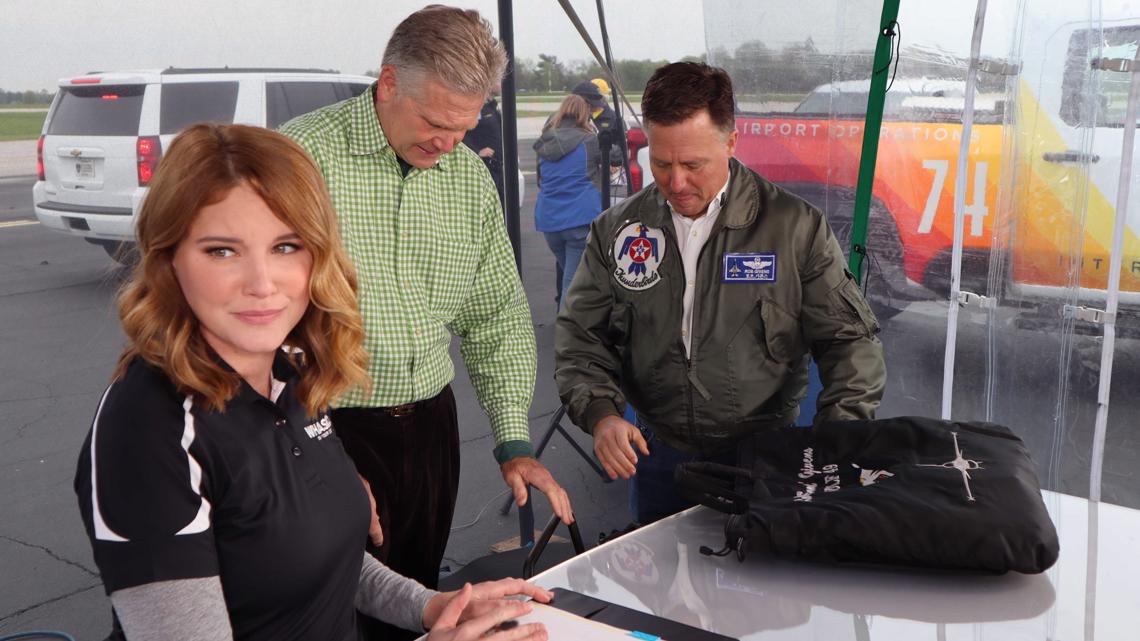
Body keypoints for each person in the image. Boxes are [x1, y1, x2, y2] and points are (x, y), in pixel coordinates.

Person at [74, 123, 551, 641]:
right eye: (221, 251)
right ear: (168, 260)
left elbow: (326, 561)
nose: (262, 284)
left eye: (286, 246)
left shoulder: (290, 372)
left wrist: (431, 606)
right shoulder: (150, 429)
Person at [280, 6, 573, 637]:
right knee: (324, 609)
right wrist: (308, 446)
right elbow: (257, 328)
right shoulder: (300, 157)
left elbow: (496, 315)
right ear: (388, 83)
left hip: (429, 429)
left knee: (414, 601)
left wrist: (513, 439)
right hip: (325, 422)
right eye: (436, 123)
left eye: (465, 127)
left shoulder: (467, 178)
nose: (450, 143)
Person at [554, 62, 886, 525]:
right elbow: (580, 337)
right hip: (656, 455)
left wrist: (836, 441)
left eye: (693, 164)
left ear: (731, 143)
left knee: (763, 587)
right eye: (661, 163)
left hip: (765, 457)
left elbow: (851, 341)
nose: (676, 183)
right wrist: (602, 413)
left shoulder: (793, 227)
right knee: (656, 586)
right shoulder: (617, 230)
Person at [534, 94, 613, 308]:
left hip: (550, 221)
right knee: (574, 284)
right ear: (584, 114)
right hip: (580, 217)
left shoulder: (544, 142)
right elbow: (613, 156)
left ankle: (574, 326)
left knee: (573, 277)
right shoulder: (588, 141)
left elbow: (541, 179)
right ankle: (567, 333)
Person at [462, 86, 505, 210]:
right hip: (486, 167)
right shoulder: (476, 106)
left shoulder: (492, 106)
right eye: (498, 79)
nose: (501, 83)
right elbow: (462, 132)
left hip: (499, 167)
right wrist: (476, 152)